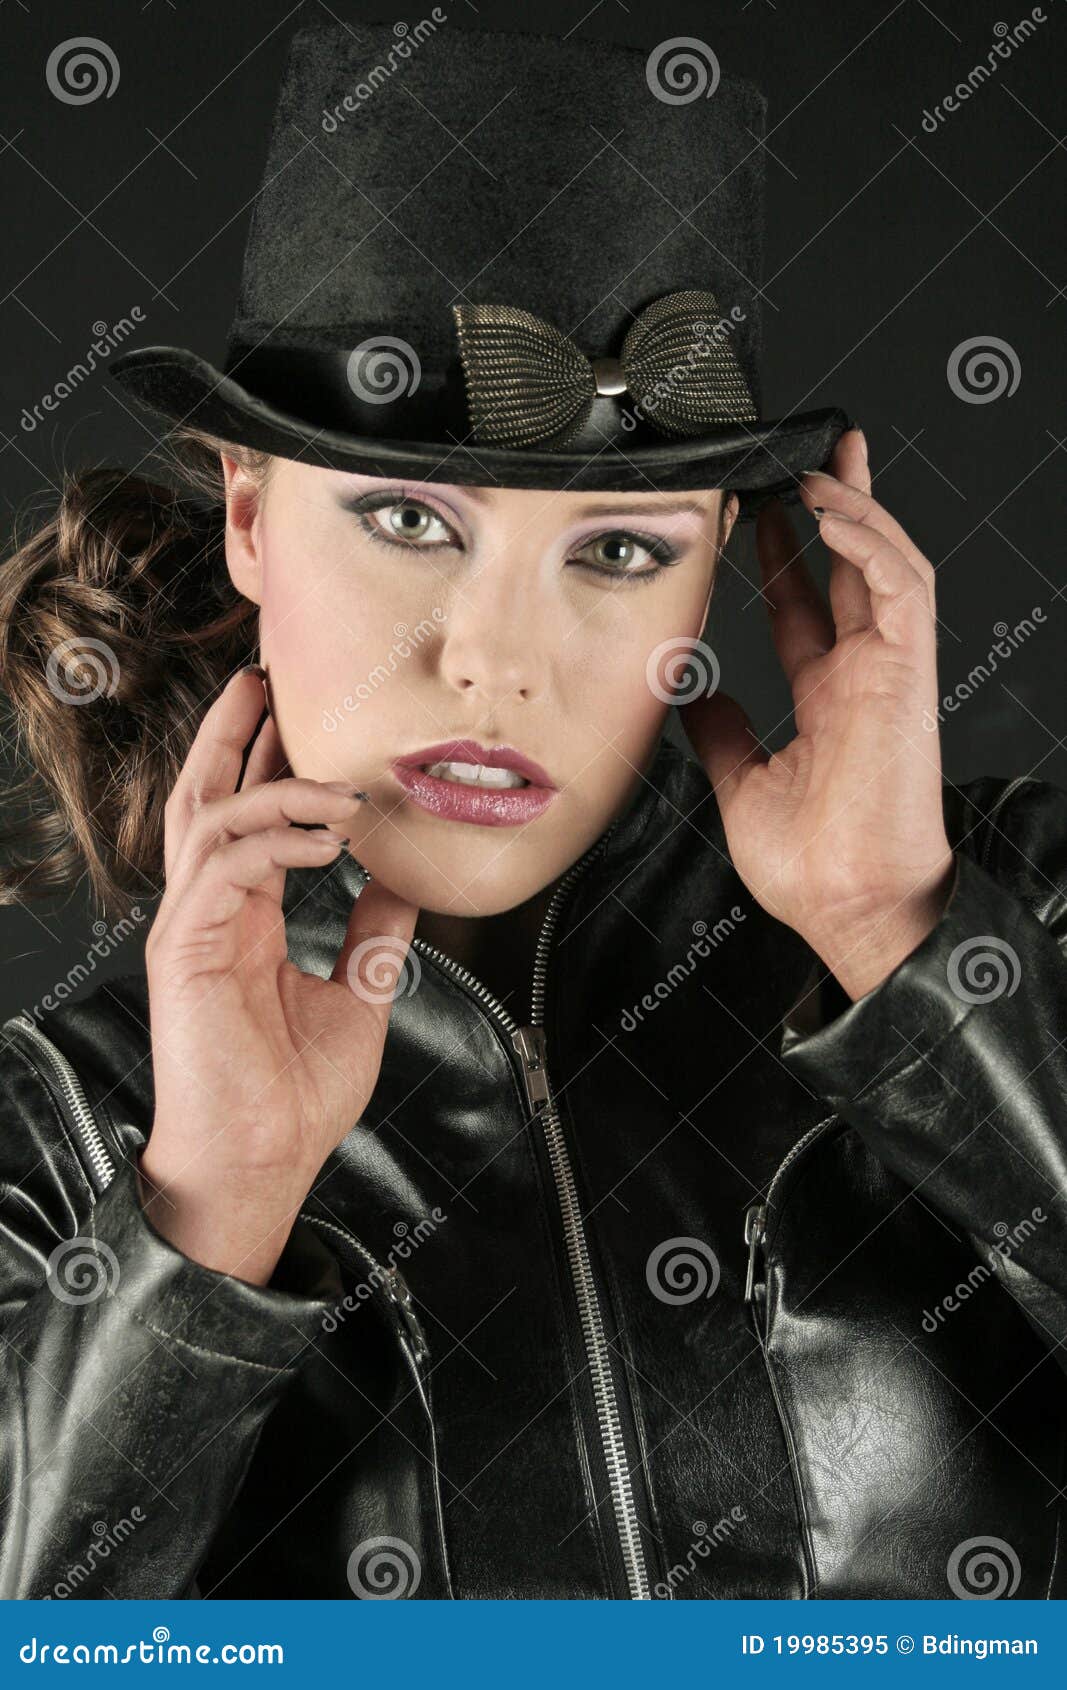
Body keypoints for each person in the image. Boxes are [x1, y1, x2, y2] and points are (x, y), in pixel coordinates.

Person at [0, 21, 1063, 1603]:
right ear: (246, 513)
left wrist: (908, 954)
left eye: (620, 549)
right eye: (410, 518)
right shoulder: (61, 1136)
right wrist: (206, 1218)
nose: (495, 658)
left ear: (721, 557)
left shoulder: (1021, 913)